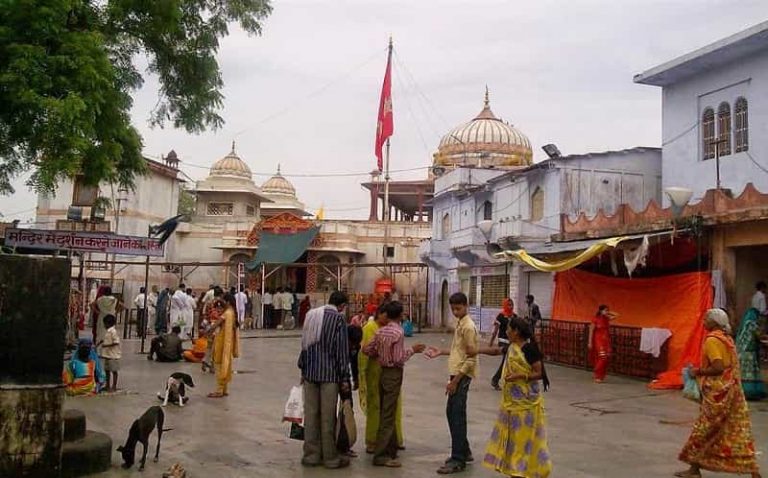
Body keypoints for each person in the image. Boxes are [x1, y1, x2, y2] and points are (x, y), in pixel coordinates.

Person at [675, 309, 762, 478]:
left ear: (714, 322)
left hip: (718, 394)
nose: (704, 322)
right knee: (736, 431)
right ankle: (754, 472)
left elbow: (718, 367)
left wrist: (696, 372)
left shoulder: (712, 341)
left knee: (703, 430)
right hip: (733, 392)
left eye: (706, 319)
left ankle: (694, 471)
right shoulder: (727, 339)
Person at [481, 316, 552, 478]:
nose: (506, 332)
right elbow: (496, 351)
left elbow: (539, 373)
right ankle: (515, 470)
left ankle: (522, 471)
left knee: (524, 441)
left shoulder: (529, 349)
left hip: (527, 406)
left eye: (508, 330)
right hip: (511, 405)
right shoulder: (512, 347)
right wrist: (475, 351)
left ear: (516, 332)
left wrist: (520, 376)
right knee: (513, 441)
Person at [362, 301, 426, 468]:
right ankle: (381, 454)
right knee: (389, 414)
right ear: (400, 315)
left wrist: (381, 353)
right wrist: (413, 350)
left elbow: (367, 350)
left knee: (385, 409)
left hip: (382, 372)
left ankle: (391, 448)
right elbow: (398, 358)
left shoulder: (380, 331)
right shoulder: (398, 332)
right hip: (393, 373)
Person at [426, 292, 478, 475]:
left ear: (466, 305)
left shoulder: (468, 327)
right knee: (454, 413)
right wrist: (441, 351)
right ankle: (464, 450)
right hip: (456, 373)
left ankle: (458, 459)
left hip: (461, 376)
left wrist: (455, 381)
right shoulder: (460, 324)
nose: (456, 312)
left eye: (459, 308)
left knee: (456, 414)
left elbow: (471, 358)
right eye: (453, 309)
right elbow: (459, 351)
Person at [297, 291, 351, 469]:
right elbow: (341, 351)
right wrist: (344, 377)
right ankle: (330, 458)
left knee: (311, 416)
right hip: (329, 375)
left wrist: (303, 369)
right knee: (328, 418)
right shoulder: (338, 319)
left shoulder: (312, 315)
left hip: (310, 374)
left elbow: (304, 345)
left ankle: (311, 455)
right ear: (342, 305)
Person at [359, 304, 405, 453]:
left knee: (393, 407)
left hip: (383, 372)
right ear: (379, 314)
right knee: (377, 408)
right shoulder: (371, 328)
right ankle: (373, 441)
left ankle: (395, 439)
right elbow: (364, 352)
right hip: (376, 373)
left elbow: (367, 349)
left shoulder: (383, 330)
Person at [208, 293, 240, 398]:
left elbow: (216, 325)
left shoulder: (227, 313)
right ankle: (224, 389)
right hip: (228, 343)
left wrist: (207, 331)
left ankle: (219, 390)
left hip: (222, 342)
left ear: (228, 302)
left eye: (224, 301)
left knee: (219, 364)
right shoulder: (233, 313)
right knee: (226, 364)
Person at [737, 305, 768, 400]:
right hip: (749, 353)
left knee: (742, 373)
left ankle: (742, 392)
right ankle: (750, 392)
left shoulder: (745, 325)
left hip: (742, 352)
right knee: (750, 374)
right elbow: (759, 336)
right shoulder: (752, 324)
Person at [490, 298, 516, 390]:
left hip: (511, 343)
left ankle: (500, 380)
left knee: (508, 362)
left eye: (512, 304)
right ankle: (496, 379)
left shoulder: (514, 316)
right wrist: (491, 342)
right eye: (508, 305)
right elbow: (495, 331)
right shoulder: (500, 316)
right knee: (506, 361)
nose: (511, 306)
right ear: (504, 305)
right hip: (503, 342)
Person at [588, 304, 618, 384]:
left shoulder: (607, 318)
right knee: (602, 357)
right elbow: (591, 331)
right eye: (605, 310)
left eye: (607, 310)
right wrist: (590, 342)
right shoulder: (595, 319)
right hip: (598, 340)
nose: (606, 312)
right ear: (601, 311)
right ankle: (597, 372)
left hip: (606, 341)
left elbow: (617, 315)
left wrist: (608, 312)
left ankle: (600, 376)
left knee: (606, 358)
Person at [98, 314, 122, 392]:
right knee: (107, 370)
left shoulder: (113, 332)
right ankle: (107, 385)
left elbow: (116, 342)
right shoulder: (108, 331)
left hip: (113, 355)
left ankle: (114, 386)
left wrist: (106, 345)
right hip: (107, 355)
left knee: (114, 371)